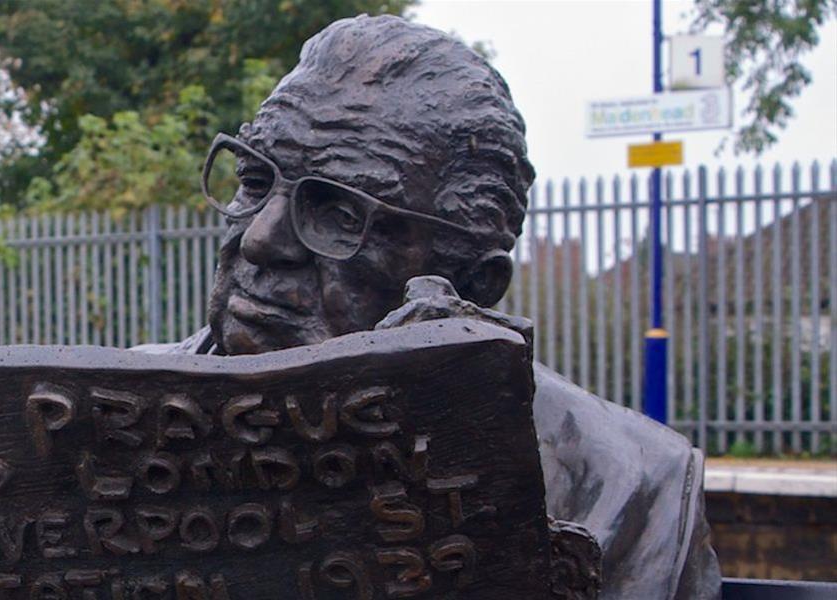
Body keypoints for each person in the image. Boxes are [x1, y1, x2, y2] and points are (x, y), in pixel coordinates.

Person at [139, 15, 720, 599]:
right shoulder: (91, 418)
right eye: (253, 179)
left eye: (339, 212)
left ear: (471, 281)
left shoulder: (632, 487)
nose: (261, 239)